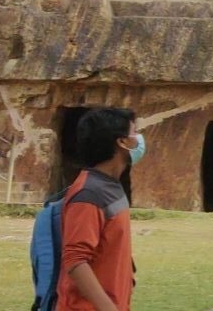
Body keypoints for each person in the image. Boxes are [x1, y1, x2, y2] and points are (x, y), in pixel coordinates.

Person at [59, 106, 141, 311]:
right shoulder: (88, 194)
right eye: (134, 132)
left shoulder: (109, 186)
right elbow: (76, 261)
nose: (139, 138)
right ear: (122, 142)